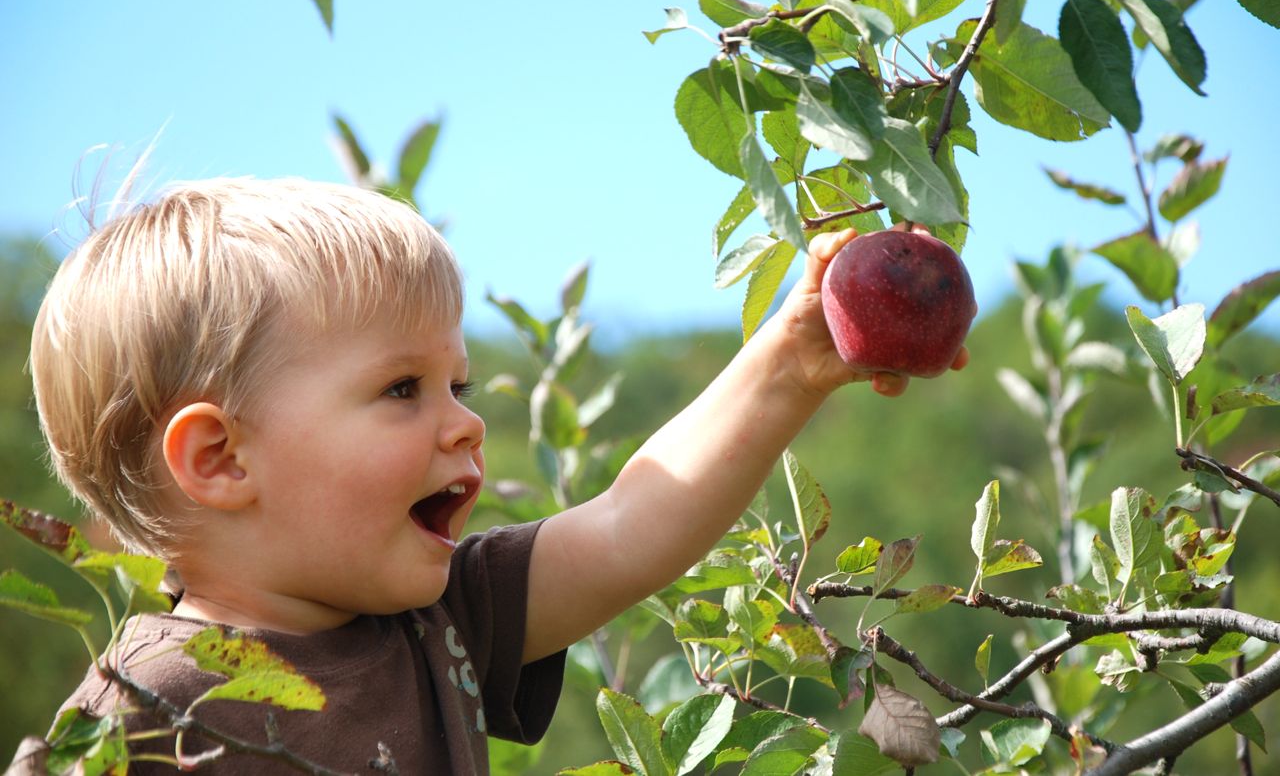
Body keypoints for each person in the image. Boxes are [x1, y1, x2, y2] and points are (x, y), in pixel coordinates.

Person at [14, 178, 967, 774]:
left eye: (456, 383)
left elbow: (637, 521)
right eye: (401, 389)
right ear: (223, 459)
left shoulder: (443, 623)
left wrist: (792, 360)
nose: (466, 422)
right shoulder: (137, 713)